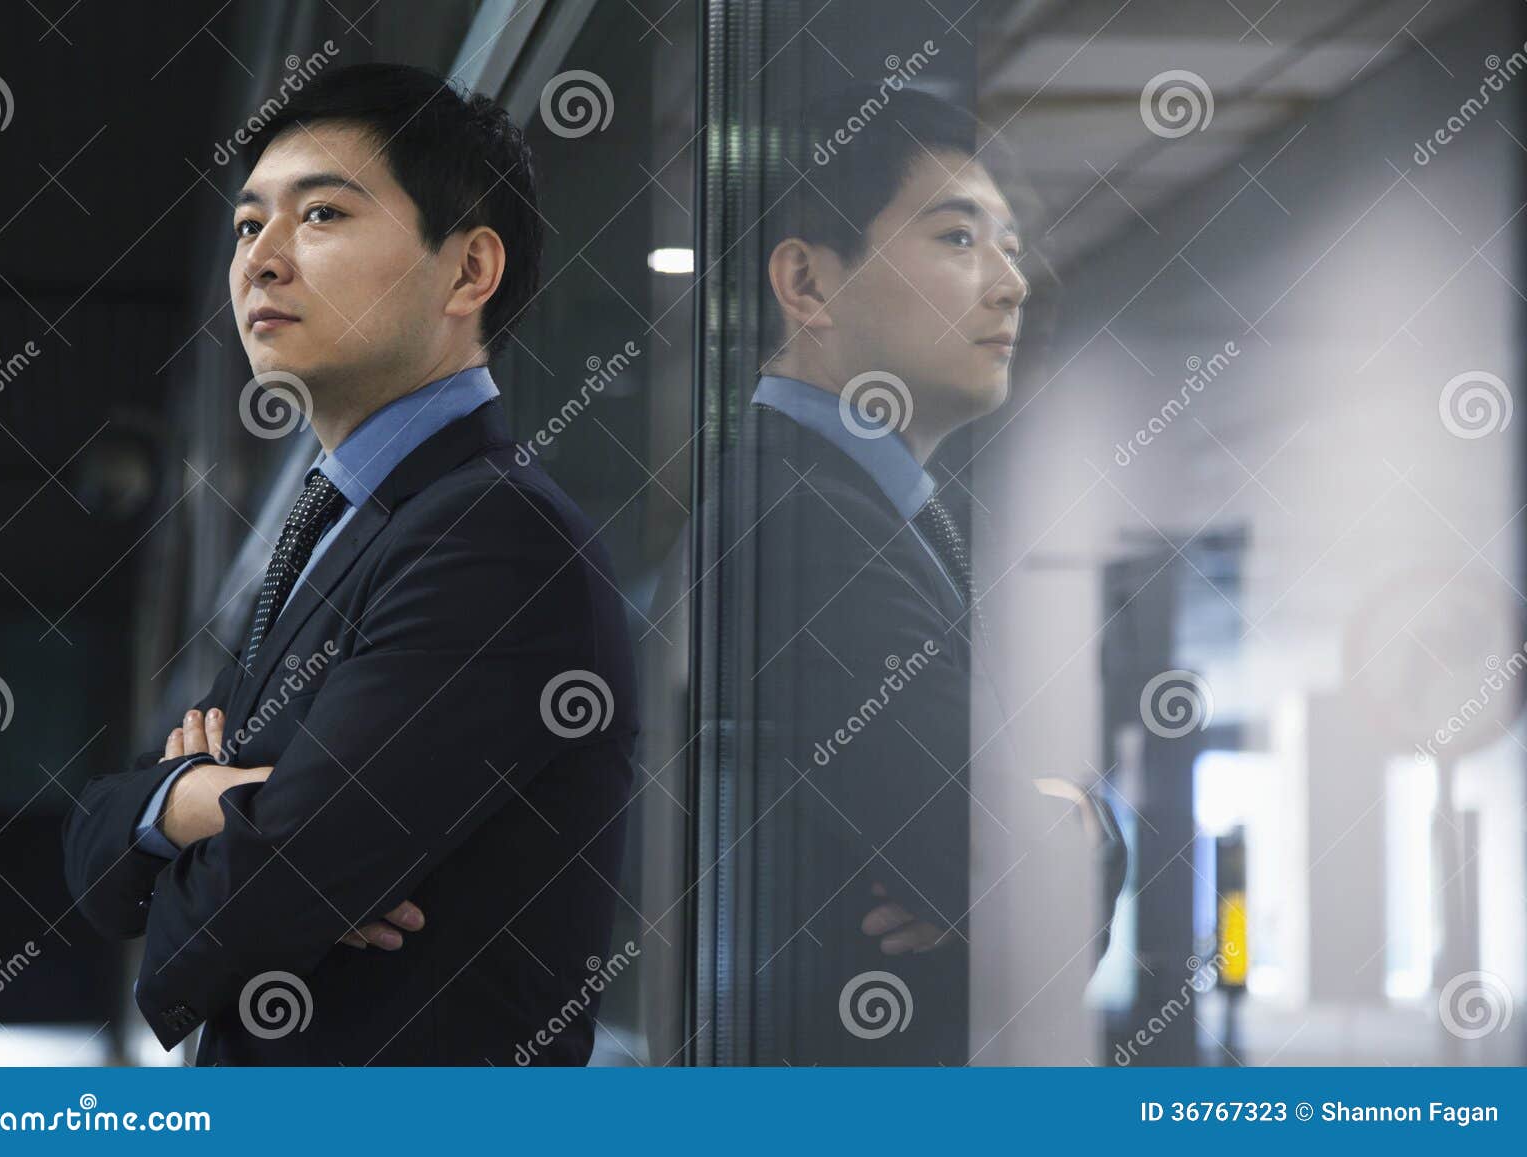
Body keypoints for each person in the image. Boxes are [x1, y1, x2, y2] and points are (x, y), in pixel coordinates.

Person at [61, 63, 637, 1066]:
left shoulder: (493, 539)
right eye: (249, 226)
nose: (261, 263)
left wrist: (209, 813)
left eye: (320, 215)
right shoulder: (348, 520)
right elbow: (92, 851)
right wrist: (197, 801)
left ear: (468, 272)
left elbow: (266, 889)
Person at [731, 86, 1122, 1063]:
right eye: (958, 239)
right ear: (809, 285)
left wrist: (1039, 837)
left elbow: (992, 874)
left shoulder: (854, 507)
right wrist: (1081, 819)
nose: (1009, 285)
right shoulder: (806, 526)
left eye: (1010, 247)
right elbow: (1009, 885)